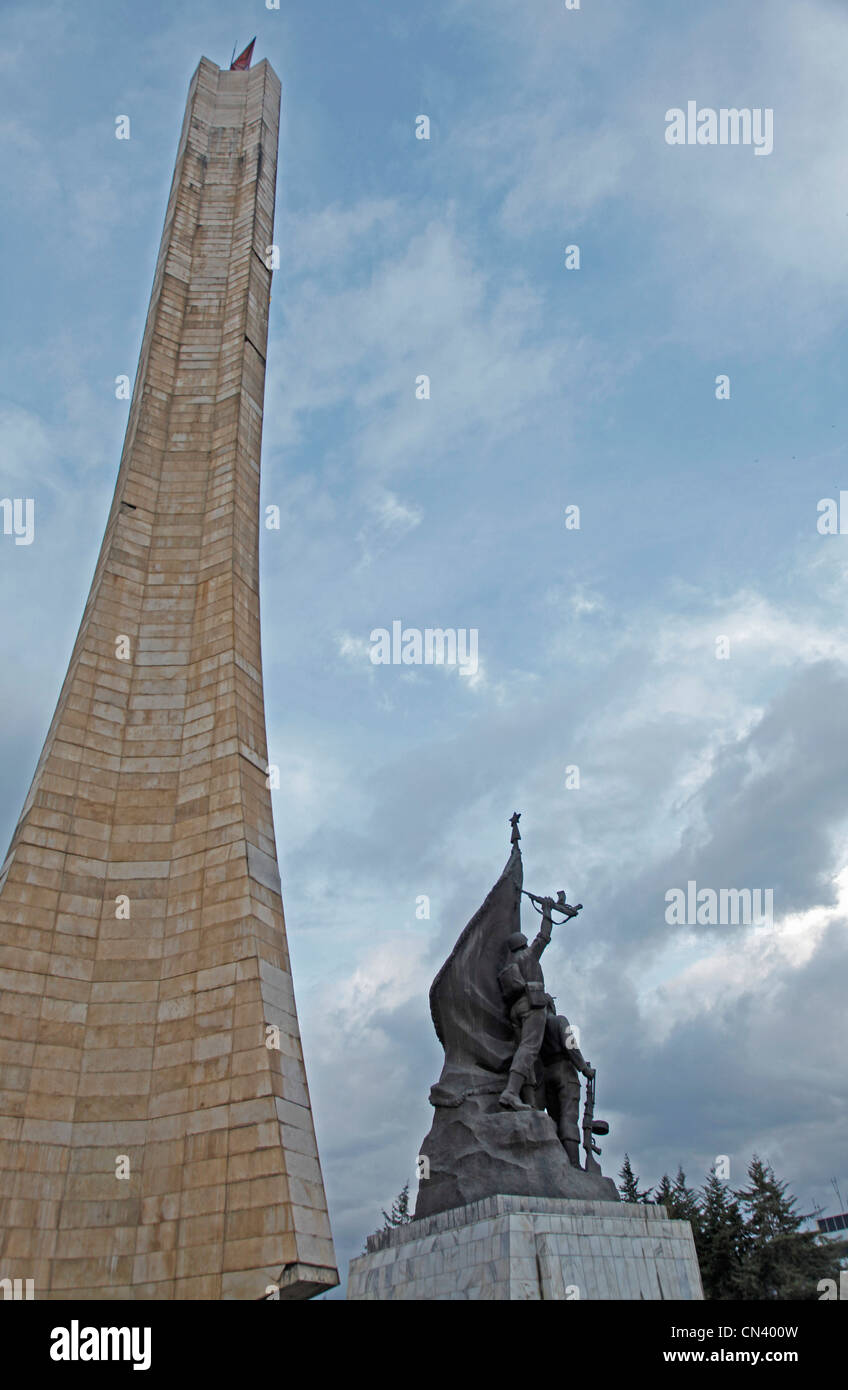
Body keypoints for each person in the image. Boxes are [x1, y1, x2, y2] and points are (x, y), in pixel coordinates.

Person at [541, 1006, 594, 1166]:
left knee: (555, 1118)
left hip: (546, 1074)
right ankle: (573, 1164)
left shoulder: (537, 1025)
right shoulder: (559, 1020)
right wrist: (584, 1068)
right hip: (565, 1070)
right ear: (551, 1006)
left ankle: (558, 1161)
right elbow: (571, 1046)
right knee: (569, 1117)